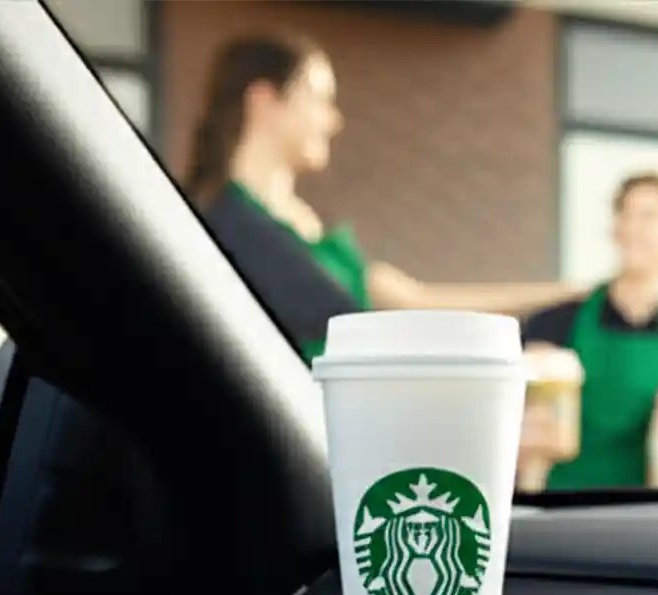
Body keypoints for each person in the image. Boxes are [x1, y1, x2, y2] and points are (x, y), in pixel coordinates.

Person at [187, 35, 581, 360]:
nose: (333, 120)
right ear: (264, 100)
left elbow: (418, 302)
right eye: (319, 98)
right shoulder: (223, 224)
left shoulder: (304, 227)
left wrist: (567, 294)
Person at [522, 172, 658, 491]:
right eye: (624, 213)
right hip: (551, 512)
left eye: (649, 216)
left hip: (639, 520)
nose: (630, 227)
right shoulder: (554, 324)